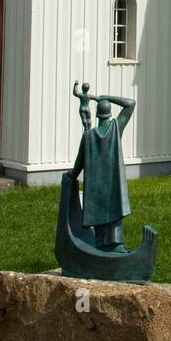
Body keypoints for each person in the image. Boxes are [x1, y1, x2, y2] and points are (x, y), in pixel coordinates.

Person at [70, 94, 135, 252]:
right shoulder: (116, 128)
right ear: (110, 114)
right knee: (114, 214)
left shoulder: (88, 136)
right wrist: (107, 97)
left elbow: (79, 161)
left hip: (97, 189)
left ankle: (102, 245)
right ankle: (116, 246)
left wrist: (71, 177)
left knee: (99, 211)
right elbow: (130, 104)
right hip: (113, 185)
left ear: (98, 115)